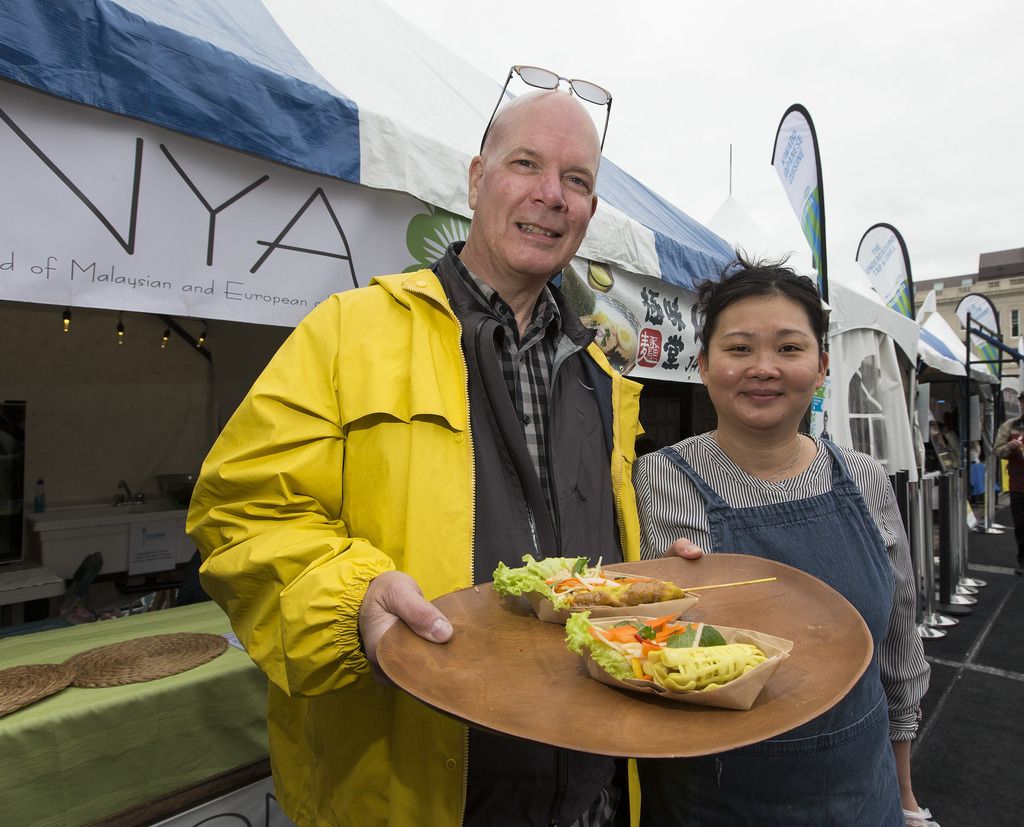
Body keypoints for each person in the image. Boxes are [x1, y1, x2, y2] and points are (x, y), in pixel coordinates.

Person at [186, 84, 643, 827]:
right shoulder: (349, 331)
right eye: (526, 163)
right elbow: (240, 511)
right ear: (474, 179)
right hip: (414, 795)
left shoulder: (605, 380)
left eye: (577, 180)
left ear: (591, 211)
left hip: (592, 798)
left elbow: (612, 562)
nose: (551, 195)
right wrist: (352, 599)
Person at [631, 257, 934, 827]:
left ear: (821, 366)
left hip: (859, 796)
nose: (763, 368)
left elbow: (898, 643)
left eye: (789, 349)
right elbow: (624, 646)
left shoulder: (865, 478)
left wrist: (905, 796)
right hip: (709, 799)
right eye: (739, 348)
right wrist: (655, 606)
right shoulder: (651, 481)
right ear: (702, 364)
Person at [993, 392, 1024, 575]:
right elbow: (997, 450)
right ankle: (1022, 559)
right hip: (1018, 484)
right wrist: (1010, 447)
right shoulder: (1010, 426)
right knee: (1020, 525)